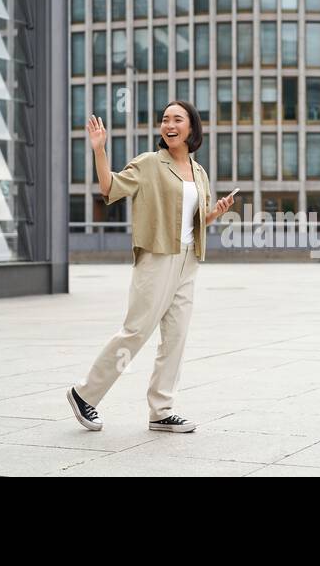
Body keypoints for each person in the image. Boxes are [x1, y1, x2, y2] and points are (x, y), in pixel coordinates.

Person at [66, 101, 236, 434]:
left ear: (191, 129)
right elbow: (110, 188)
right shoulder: (149, 164)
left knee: (176, 337)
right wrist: (99, 151)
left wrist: (215, 212)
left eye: (177, 119)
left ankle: (161, 409)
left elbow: (195, 219)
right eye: (164, 120)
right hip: (158, 256)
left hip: (189, 259)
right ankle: (84, 393)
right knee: (136, 332)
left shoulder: (198, 171)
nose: (169, 125)